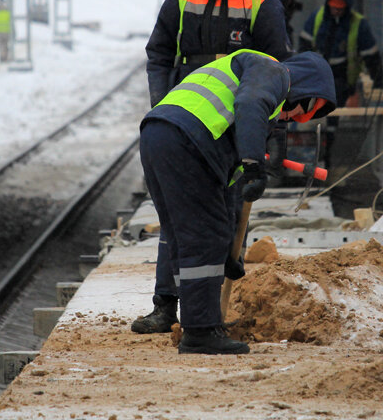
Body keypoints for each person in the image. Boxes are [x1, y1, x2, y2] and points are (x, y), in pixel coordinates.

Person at [135, 0, 292, 335]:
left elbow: (276, 74)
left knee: (219, 221)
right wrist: (163, 103)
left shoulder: (263, 3)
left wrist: (259, 144)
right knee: (177, 219)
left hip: (230, 133)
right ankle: (166, 306)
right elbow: (160, 52)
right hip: (184, 123)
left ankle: (206, 315)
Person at [139, 49, 336, 354]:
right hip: (187, 138)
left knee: (185, 233)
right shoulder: (273, 72)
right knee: (203, 235)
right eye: (306, 110)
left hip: (158, 134)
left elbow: (229, 189)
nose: (297, 118)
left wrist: (230, 248)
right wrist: (254, 162)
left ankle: (197, 321)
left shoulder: (242, 87)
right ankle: (201, 331)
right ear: (305, 89)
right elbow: (251, 103)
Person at [299, 0, 383, 106]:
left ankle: (332, 124)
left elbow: (371, 55)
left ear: (347, 7)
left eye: (340, 8)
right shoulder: (317, 17)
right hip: (319, 72)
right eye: (334, 7)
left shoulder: (358, 24)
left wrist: (378, 80)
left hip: (343, 74)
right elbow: (304, 45)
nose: (336, 11)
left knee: (335, 101)